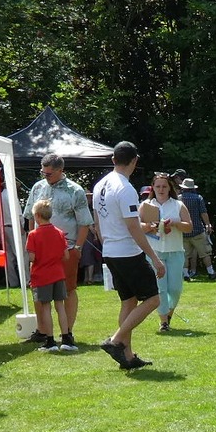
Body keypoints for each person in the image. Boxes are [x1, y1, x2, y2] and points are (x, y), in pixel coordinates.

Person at [89, 139, 167, 370]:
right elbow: (133, 226)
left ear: (114, 159)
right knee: (153, 299)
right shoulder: (125, 188)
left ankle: (128, 356)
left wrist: (106, 246)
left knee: (128, 301)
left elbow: (97, 222)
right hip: (126, 251)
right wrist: (154, 257)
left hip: (111, 250)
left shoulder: (100, 185)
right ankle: (116, 340)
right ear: (134, 161)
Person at [24, 154, 94, 348]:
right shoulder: (38, 187)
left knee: (68, 290)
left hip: (67, 248)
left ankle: (67, 332)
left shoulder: (75, 190)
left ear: (60, 170)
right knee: (39, 291)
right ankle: (43, 331)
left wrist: (77, 248)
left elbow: (84, 222)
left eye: (49, 173)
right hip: (41, 251)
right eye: (42, 172)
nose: (45, 175)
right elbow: (30, 215)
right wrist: (32, 240)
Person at [145, 172, 191, 332]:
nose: (161, 189)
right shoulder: (146, 205)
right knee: (160, 288)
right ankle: (163, 321)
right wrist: (152, 225)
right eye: (158, 186)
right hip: (155, 252)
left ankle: (169, 313)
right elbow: (138, 226)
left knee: (175, 289)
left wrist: (176, 222)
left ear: (170, 187)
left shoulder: (178, 205)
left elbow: (189, 226)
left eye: (164, 186)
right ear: (153, 188)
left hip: (175, 251)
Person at [25, 199, 72, 348]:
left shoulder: (33, 235)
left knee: (46, 307)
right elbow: (66, 256)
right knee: (60, 306)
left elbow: (32, 257)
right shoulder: (59, 233)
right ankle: (66, 338)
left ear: (37, 216)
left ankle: (50, 340)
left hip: (42, 275)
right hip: (58, 274)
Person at [180, 176, 216, 280]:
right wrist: (208, 224)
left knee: (185, 255)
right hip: (197, 230)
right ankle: (211, 272)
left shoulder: (179, 198)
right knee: (205, 253)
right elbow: (203, 212)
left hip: (184, 230)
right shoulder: (198, 198)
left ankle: (185, 274)